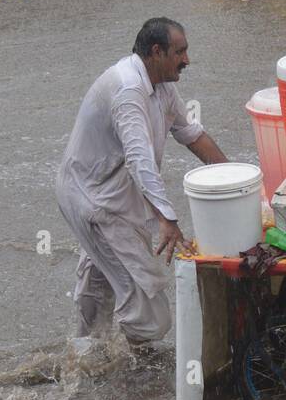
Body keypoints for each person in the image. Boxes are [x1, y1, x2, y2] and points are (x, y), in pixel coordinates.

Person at [56, 18, 229, 343]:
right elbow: (140, 161)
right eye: (181, 52)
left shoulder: (163, 85)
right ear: (156, 52)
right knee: (150, 313)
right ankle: (129, 373)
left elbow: (190, 134)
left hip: (115, 192)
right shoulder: (128, 90)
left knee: (101, 288)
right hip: (96, 201)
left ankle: (85, 359)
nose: (187, 60)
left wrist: (238, 181)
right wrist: (167, 219)